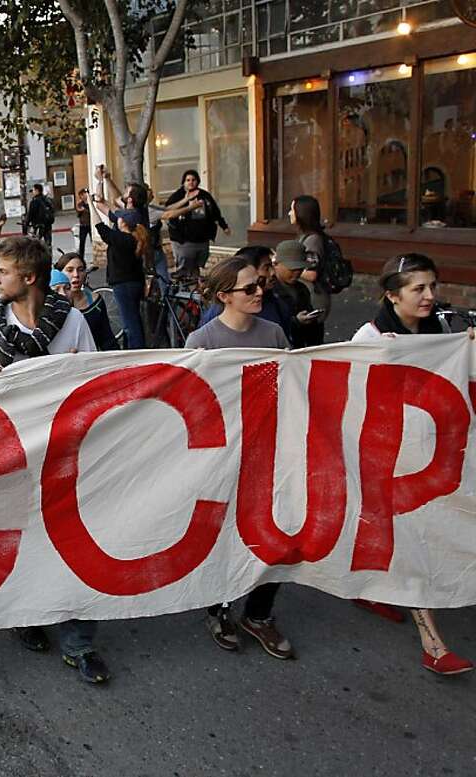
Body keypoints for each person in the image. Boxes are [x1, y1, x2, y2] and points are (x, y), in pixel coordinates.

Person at [0, 237, 104, 680]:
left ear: (29, 279)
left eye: (2, 272)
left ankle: (79, 642)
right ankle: (26, 618)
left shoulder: (72, 321)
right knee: (19, 544)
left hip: (66, 456)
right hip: (11, 460)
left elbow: (93, 384)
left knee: (75, 544)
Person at [352, 253, 473, 676]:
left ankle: (370, 588)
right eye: (418, 288)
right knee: (414, 539)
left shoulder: (440, 329)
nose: (429, 296)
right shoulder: (368, 336)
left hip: (431, 451)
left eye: (432, 286)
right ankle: (433, 645)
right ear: (392, 294)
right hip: (389, 456)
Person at [184, 259, 294, 660]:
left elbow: (294, 388)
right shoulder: (202, 342)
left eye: (260, 284)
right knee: (226, 537)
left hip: (272, 452)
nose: (260, 292)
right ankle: (220, 609)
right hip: (225, 459)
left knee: (276, 534)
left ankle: (259, 615)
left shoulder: (274, 333)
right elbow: (194, 408)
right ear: (223, 296)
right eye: (248, 289)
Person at [89, 191, 148, 349]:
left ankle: (137, 353)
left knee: (130, 322)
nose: (118, 218)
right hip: (135, 283)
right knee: (134, 318)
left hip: (124, 285)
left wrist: (90, 204)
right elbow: (108, 216)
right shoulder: (134, 239)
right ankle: (133, 349)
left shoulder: (122, 239)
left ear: (124, 223)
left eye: (120, 217)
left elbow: (100, 226)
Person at [197, 245, 292, 341]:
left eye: (259, 284)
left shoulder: (275, 325)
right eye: (249, 288)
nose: (272, 273)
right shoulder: (205, 335)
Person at [162, 170, 230, 279]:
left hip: (202, 238)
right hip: (183, 240)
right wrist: (186, 201)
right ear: (183, 182)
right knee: (184, 269)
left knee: (195, 268)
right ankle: (183, 289)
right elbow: (167, 210)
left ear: (198, 181)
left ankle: (194, 289)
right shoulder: (178, 195)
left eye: (193, 180)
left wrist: (224, 226)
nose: (191, 182)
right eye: (188, 180)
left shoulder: (204, 195)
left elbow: (215, 212)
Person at [290, 195, 331, 346]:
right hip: (306, 295)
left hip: (313, 297)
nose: (289, 213)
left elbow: (312, 273)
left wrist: (289, 267)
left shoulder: (313, 240)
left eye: (292, 210)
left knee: (311, 341)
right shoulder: (304, 237)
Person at [57, 253, 118, 351]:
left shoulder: (95, 302)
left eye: (80, 270)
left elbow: (107, 339)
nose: (76, 275)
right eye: (70, 270)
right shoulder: (51, 304)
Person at [267, 241, 320, 348]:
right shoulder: (268, 290)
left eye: (300, 269)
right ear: (276, 265)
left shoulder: (302, 288)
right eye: (292, 269)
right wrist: (295, 322)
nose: (296, 273)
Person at [75, 189, 92, 259]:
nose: (82, 197)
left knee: (93, 241)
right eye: (80, 196)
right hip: (83, 225)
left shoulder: (90, 202)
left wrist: (85, 209)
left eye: (83, 195)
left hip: (91, 225)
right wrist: (79, 210)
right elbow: (78, 215)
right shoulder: (80, 204)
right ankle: (81, 258)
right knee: (82, 242)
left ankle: (94, 257)